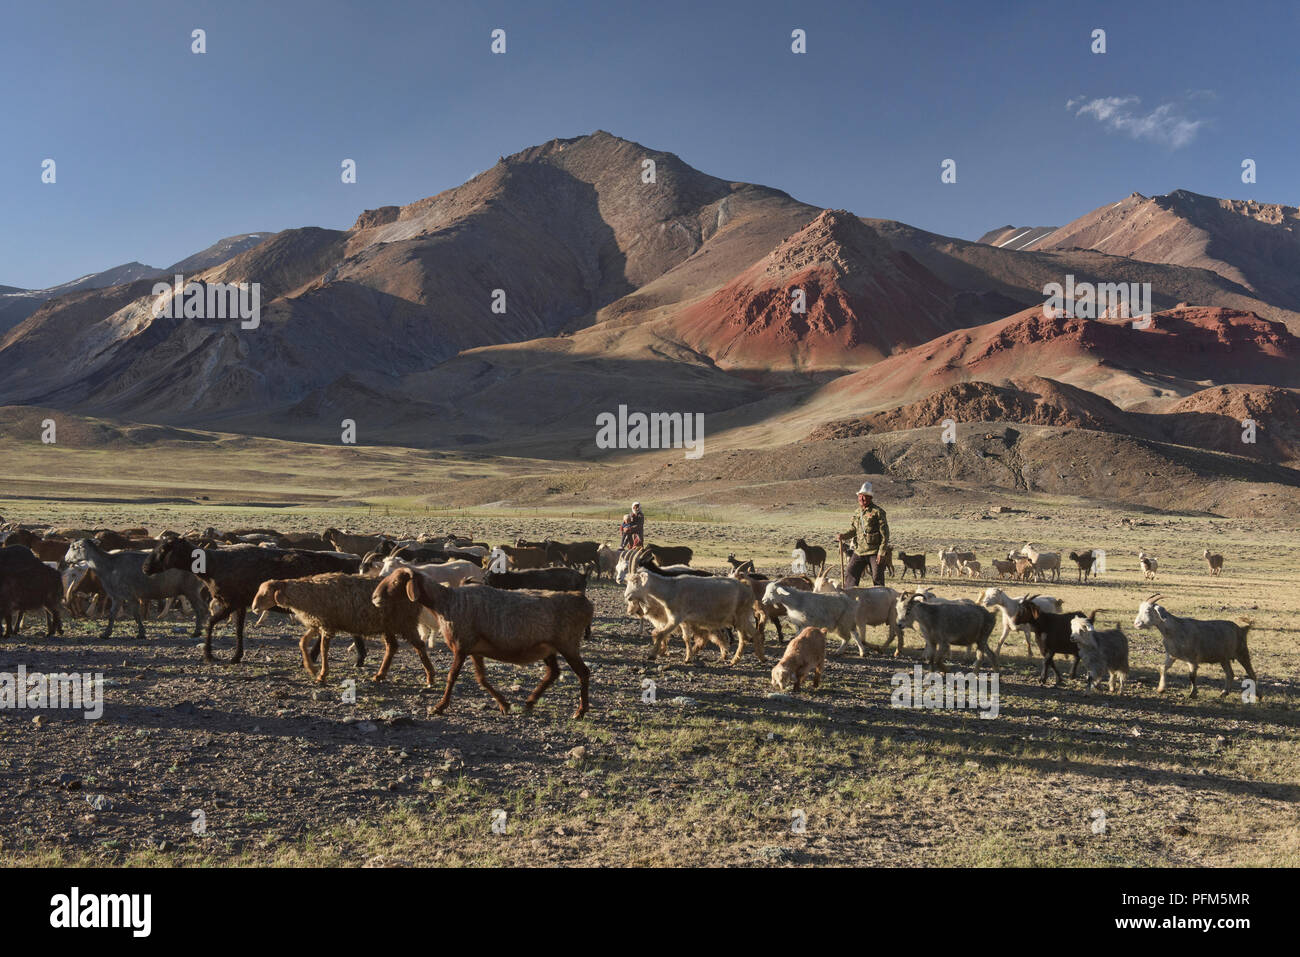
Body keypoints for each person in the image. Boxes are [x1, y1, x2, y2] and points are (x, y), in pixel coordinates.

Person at [836, 482, 890, 586]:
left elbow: (885, 534)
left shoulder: (878, 512)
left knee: (877, 578)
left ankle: (879, 600)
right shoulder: (857, 512)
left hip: (874, 551)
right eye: (860, 496)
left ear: (870, 497)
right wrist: (844, 536)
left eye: (864, 497)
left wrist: (881, 552)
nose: (861, 499)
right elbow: (853, 530)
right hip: (859, 551)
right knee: (850, 574)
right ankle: (849, 598)